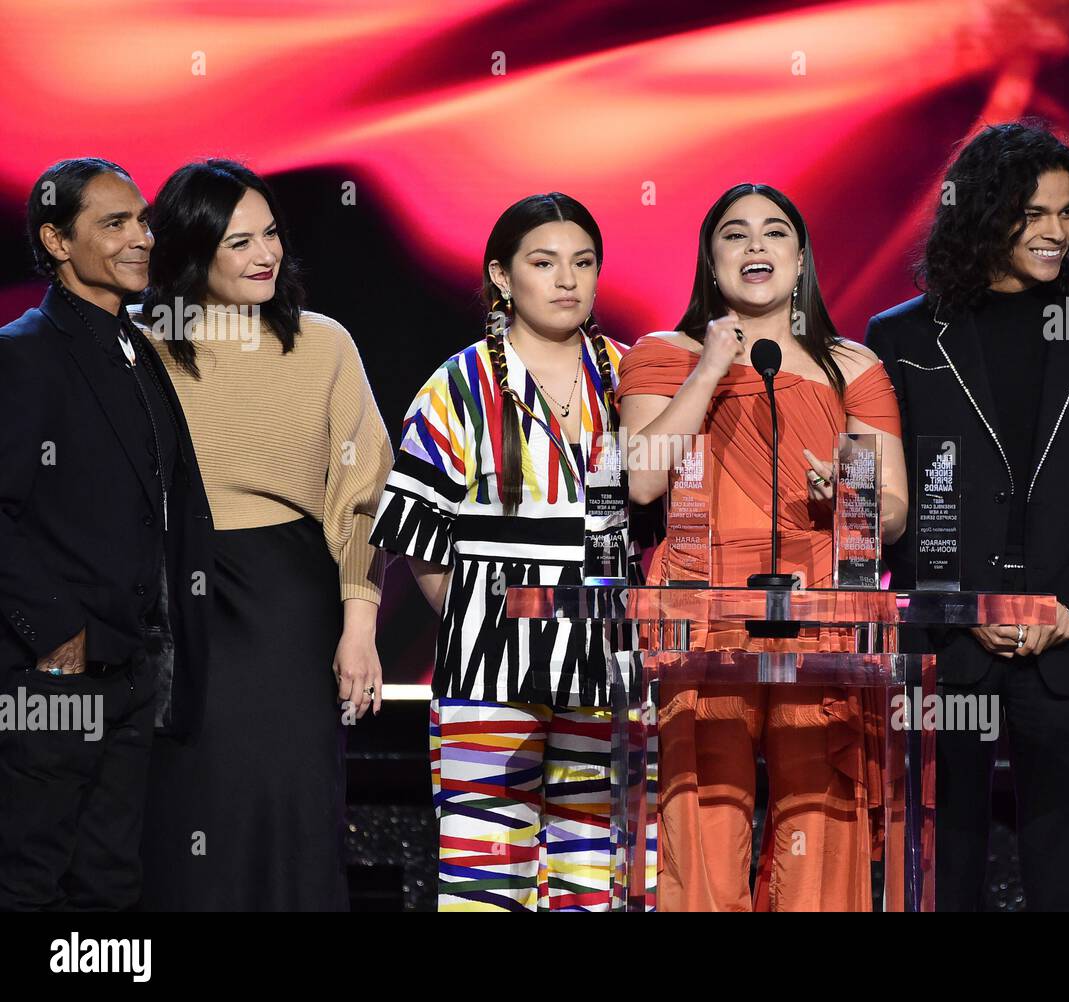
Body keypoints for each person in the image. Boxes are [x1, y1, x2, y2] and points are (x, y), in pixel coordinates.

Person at [866, 122, 1069, 910]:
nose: (1057, 231)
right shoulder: (899, 339)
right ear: (982, 213)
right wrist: (967, 606)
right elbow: (898, 501)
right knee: (940, 869)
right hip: (945, 644)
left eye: (1068, 213)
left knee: (1067, 875)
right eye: (1034, 213)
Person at [617, 183, 908, 912]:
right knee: (703, 822)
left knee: (821, 822)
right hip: (702, 605)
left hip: (820, 609)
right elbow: (645, 479)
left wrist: (850, 489)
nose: (756, 245)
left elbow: (895, 510)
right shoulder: (664, 353)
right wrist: (712, 366)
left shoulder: (853, 367)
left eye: (775, 232)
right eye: (735, 234)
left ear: (801, 258)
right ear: (710, 263)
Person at [135, 160, 392, 911]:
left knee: (294, 806)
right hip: (177, 603)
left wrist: (359, 625)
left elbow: (362, 498)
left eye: (272, 233)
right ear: (190, 251)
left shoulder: (325, 344)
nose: (265, 254)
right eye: (239, 240)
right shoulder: (144, 347)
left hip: (290, 603)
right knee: (188, 810)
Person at [369, 193, 638, 911]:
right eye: (544, 263)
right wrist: (481, 625)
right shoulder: (455, 386)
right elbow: (420, 540)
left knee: (596, 873)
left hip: (607, 665)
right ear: (501, 276)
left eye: (583, 263)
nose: (567, 280)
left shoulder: (631, 379)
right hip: (491, 669)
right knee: (489, 877)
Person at [0, 158, 212, 910]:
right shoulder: (21, 354)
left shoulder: (139, 351)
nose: (142, 239)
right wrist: (56, 635)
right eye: (115, 223)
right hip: (49, 677)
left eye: (143, 221)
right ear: (57, 242)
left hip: (131, 671)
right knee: (29, 876)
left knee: (112, 883)